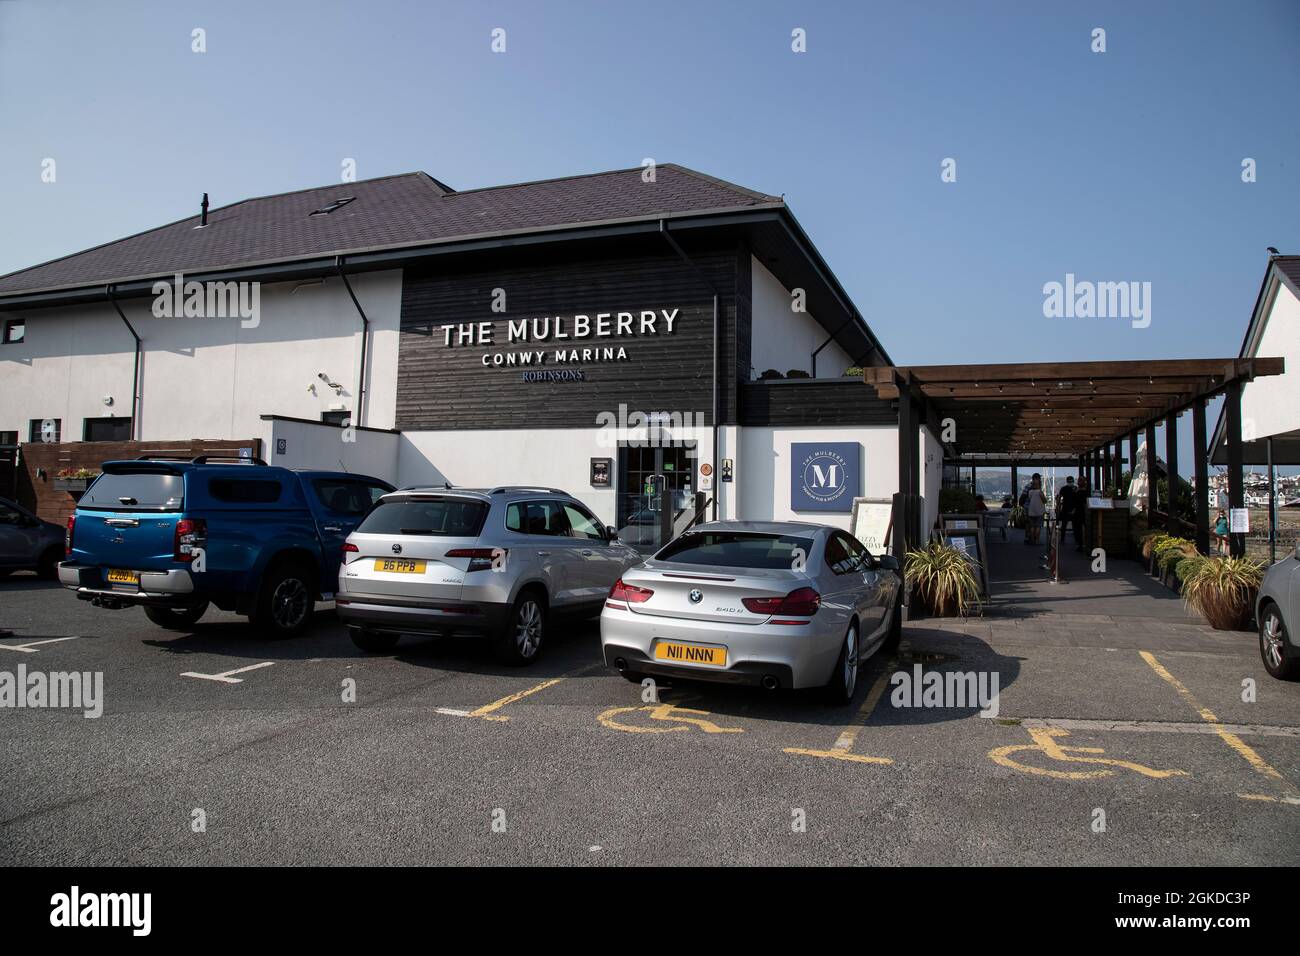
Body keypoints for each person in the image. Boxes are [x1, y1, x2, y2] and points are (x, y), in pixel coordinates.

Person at [1023, 474, 1047, 545]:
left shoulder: (1030, 492)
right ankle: (1037, 540)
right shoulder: (1040, 492)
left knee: (1032, 526)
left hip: (1031, 511)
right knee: (1038, 526)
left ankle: (1032, 539)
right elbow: (1044, 501)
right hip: (1039, 511)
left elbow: (1030, 499)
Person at [1056, 476, 1078, 545]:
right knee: (1075, 526)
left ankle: (1062, 539)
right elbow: (1077, 498)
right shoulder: (1075, 488)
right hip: (1074, 508)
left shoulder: (1063, 488)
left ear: (1067, 481)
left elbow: (1059, 498)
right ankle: (1076, 540)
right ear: (1073, 481)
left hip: (1065, 508)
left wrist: (1058, 506)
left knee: (1064, 525)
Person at [1074, 474, 1090, 550]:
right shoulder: (1087, 493)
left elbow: (1074, 502)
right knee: (1084, 527)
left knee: (1078, 528)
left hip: (1078, 512)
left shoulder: (1077, 492)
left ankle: (1080, 544)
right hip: (1085, 512)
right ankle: (1085, 543)